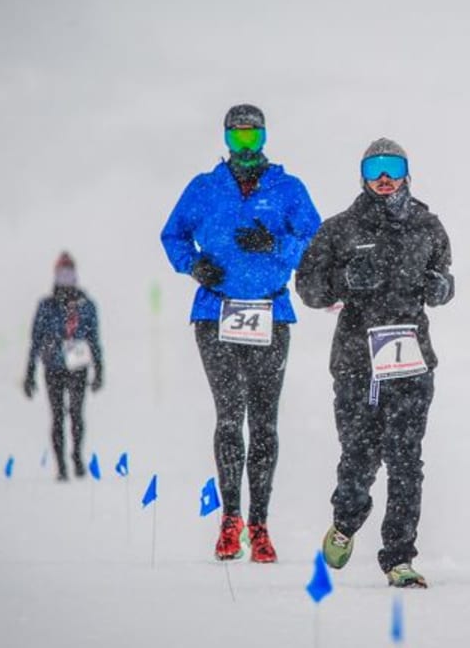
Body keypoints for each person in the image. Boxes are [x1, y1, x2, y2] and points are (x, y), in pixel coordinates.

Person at [160, 103, 321, 562]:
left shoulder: (287, 189)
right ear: (226, 139)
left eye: (253, 137)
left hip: (270, 312)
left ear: (265, 137)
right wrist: (194, 266)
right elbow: (172, 235)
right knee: (230, 417)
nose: (246, 146)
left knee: (264, 421)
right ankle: (230, 521)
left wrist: (277, 243)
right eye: (238, 138)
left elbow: (316, 244)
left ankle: (260, 525)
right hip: (216, 314)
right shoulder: (205, 188)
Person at [295, 138, 454, 589]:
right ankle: (346, 520)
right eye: (375, 168)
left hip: (411, 360)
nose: (384, 177)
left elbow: (444, 277)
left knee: (407, 460)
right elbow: (307, 287)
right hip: (356, 363)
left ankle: (399, 557)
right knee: (360, 457)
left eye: (393, 167)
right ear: (362, 175)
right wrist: (343, 281)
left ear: (407, 172)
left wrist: (441, 288)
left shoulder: (428, 225)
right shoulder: (340, 229)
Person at [22, 252, 104, 482]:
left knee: (76, 414)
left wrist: (99, 370)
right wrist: (29, 373)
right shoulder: (47, 306)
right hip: (54, 366)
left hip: (78, 366)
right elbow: (35, 340)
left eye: (69, 273)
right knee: (57, 417)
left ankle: (76, 455)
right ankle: (61, 466)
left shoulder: (86, 305)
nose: (66, 278)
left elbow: (94, 340)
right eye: (62, 273)